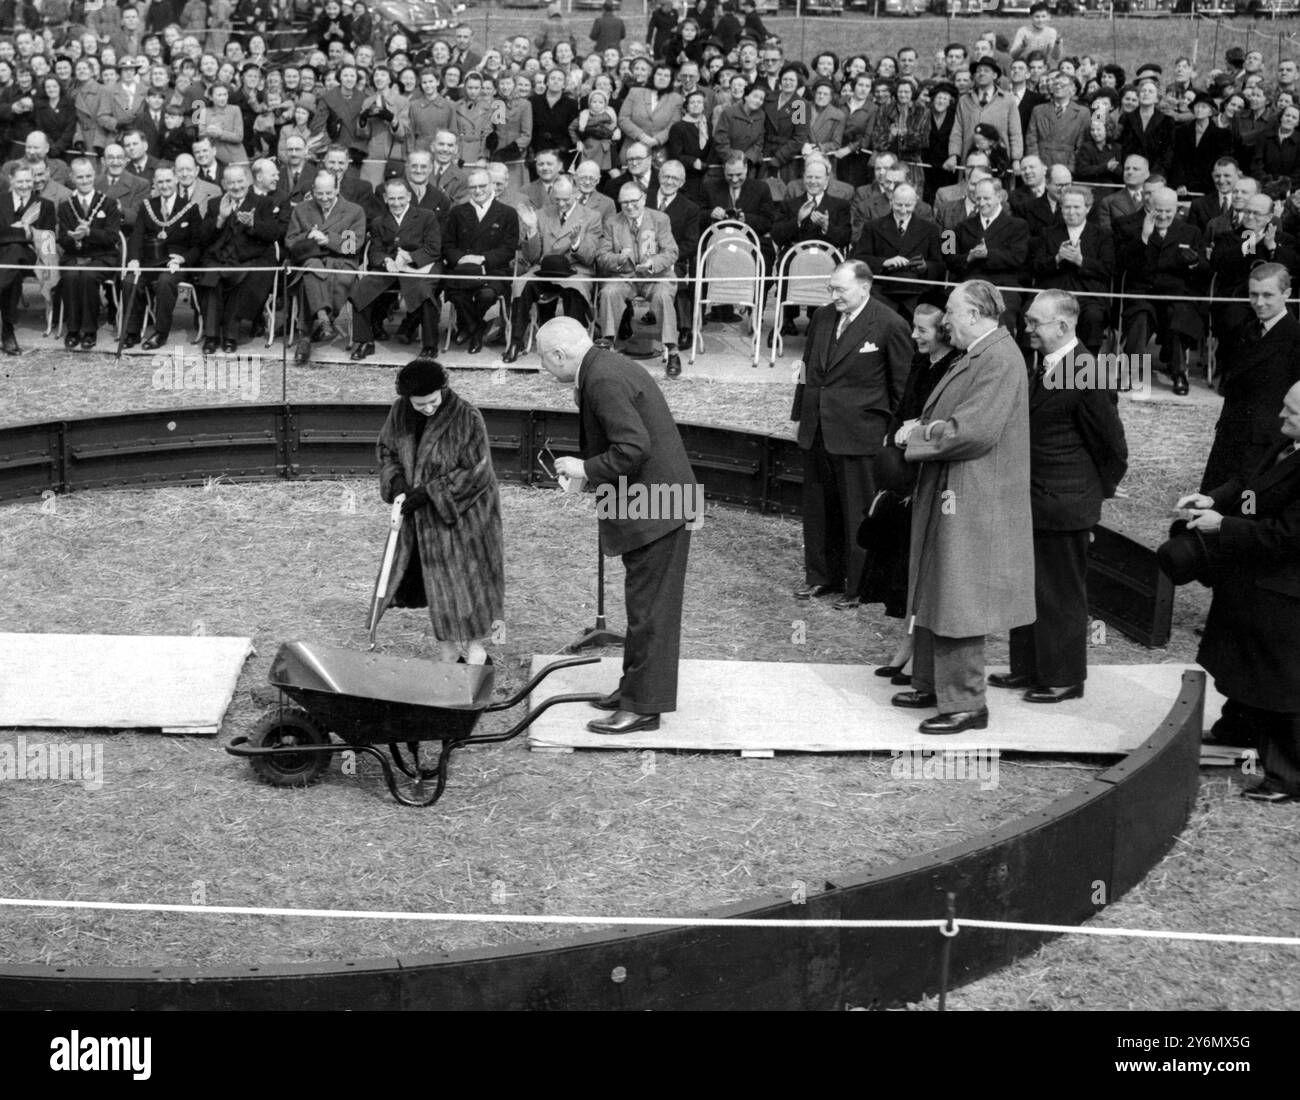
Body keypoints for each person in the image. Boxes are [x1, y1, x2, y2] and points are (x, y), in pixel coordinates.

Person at [537, 315, 696, 734]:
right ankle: (633, 689)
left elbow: (632, 448)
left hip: (657, 506)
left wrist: (584, 467)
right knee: (643, 606)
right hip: (658, 501)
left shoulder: (602, 380)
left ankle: (644, 706)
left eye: (544, 361)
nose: (543, 369)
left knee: (651, 612)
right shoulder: (604, 366)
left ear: (559, 354)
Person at [893, 279, 1034, 734]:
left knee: (960, 599)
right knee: (937, 588)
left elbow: (971, 431)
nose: (944, 319)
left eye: (951, 312)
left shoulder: (998, 359)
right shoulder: (981, 354)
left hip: (972, 497)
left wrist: (919, 433)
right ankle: (935, 684)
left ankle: (967, 704)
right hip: (955, 491)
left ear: (974, 314)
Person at [989, 290, 1128, 704]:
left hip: (1065, 505)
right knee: (1027, 586)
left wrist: (1090, 498)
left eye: (1034, 323)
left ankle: (1065, 676)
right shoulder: (1046, 365)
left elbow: (1112, 448)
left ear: (1063, 326)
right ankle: (1029, 668)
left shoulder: (1086, 370)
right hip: (1034, 499)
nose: (1026, 329)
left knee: (1061, 593)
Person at [1176, 380, 1300, 803]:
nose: (1282, 416)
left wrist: (1223, 526)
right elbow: (1252, 490)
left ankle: (1288, 776)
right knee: (1241, 659)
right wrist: (1215, 501)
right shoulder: (1288, 445)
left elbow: (1284, 538)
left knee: (1276, 684)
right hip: (1257, 579)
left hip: (1284, 588)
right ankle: (1238, 727)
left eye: (1292, 412)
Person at [791, 260, 912, 611]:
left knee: (858, 512)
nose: (834, 296)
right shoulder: (822, 318)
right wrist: (799, 414)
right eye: (831, 288)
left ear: (865, 286)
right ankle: (821, 576)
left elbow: (901, 388)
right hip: (817, 431)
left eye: (840, 289)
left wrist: (893, 434)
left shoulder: (890, 324)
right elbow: (806, 370)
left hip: (861, 435)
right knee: (818, 510)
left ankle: (858, 586)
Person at [375, 358, 504, 667]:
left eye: (433, 401)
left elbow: (478, 471)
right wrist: (397, 482)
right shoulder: (400, 412)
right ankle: (447, 651)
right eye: (421, 404)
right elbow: (387, 450)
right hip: (424, 522)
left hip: (468, 518)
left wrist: (431, 492)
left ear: (443, 389)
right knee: (438, 587)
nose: (428, 409)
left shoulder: (467, 416)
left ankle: (478, 650)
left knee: (475, 586)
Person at [862, 303, 961, 684]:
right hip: (907, 476)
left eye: (923, 330)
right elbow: (904, 408)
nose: (915, 336)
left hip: (932, 477)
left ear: (943, 331)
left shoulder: (954, 365)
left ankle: (916, 652)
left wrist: (917, 427)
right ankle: (905, 645)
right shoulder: (921, 362)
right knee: (905, 570)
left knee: (924, 572)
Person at [1201, 264, 1300, 492]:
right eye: (1253, 294)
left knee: (1244, 511)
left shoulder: (1295, 339)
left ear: (1286, 294)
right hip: (1230, 437)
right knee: (1212, 503)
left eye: (1268, 295)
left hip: (1262, 447)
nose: (1259, 302)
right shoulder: (1247, 330)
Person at [596, 179, 680, 376]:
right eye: (624, 202)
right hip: (626, 277)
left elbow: (671, 251)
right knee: (608, 291)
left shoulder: (660, 219)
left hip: (655, 277)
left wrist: (652, 264)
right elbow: (601, 256)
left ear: (644, 199)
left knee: (662, 297)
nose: (630, 206)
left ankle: (672, 349)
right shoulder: (612, 222)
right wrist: (618, 258)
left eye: (634, 201)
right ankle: (607, 341)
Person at [121, 163, 203, 350]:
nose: (165, 185)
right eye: (160, 182)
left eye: (168, 180)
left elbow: (198, 244)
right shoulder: (147, 206)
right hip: (150, 261)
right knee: (129, 280)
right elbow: (137, 236)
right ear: (155, 183)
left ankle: (160, 333)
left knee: (166, 281)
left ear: (176, 180)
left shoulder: (190, 208)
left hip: (175, 264)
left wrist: (183, 259)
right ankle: (132, 332)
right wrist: (133, 259)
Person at [285, 170, 366, 358]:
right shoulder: (302, 209)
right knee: (311, 270)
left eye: (329, 193)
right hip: (311, 259)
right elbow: (290, 240)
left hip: (342, 261)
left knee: (326, 279)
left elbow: (353, 245)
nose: (324, 198)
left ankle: (309, 334)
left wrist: (327, 240)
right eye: (319, 194)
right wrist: (308, 236)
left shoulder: (354, 211)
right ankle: (321, 321)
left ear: (337, 189)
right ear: (313, 190)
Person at [441, 167, 519, 353]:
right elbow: (448, 244)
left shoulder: (507, 213)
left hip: (493, 270)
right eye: (473, 187)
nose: (478, 191)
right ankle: (477, 328)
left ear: (492, 185)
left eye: (482, 186)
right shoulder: (458, 212)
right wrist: (462, 259)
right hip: (462, 269)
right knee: (457, 294)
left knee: (486, 295)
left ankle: (469, 327)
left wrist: (482, 259)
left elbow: (509, 249)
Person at [57, 157, 123, 351]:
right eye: (80, 177)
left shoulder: (109, 203)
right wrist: (75, 239)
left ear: (94, 175)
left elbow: (112, 237)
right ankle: (73, 330)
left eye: (88, 176)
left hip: (102, 257)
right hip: (74, 255)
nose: (85, 181)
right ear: (72, 178)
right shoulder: (65, 206)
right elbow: (62, 239)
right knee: (69, 276)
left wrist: (89, 233)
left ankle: (89, 330)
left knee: (88, 276)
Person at [0, 163, 54, 355]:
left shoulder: (45, 205)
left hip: (32, 256)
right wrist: (16, 233)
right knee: (12, 275)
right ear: (11, 180)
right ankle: (7, 331)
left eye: (28, 181)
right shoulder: (1, 201)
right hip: (4, 260)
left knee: (15, 250)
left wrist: (29, 233)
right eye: (20, 181)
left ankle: (7, 333)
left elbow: (49, 237)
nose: (24, 185)